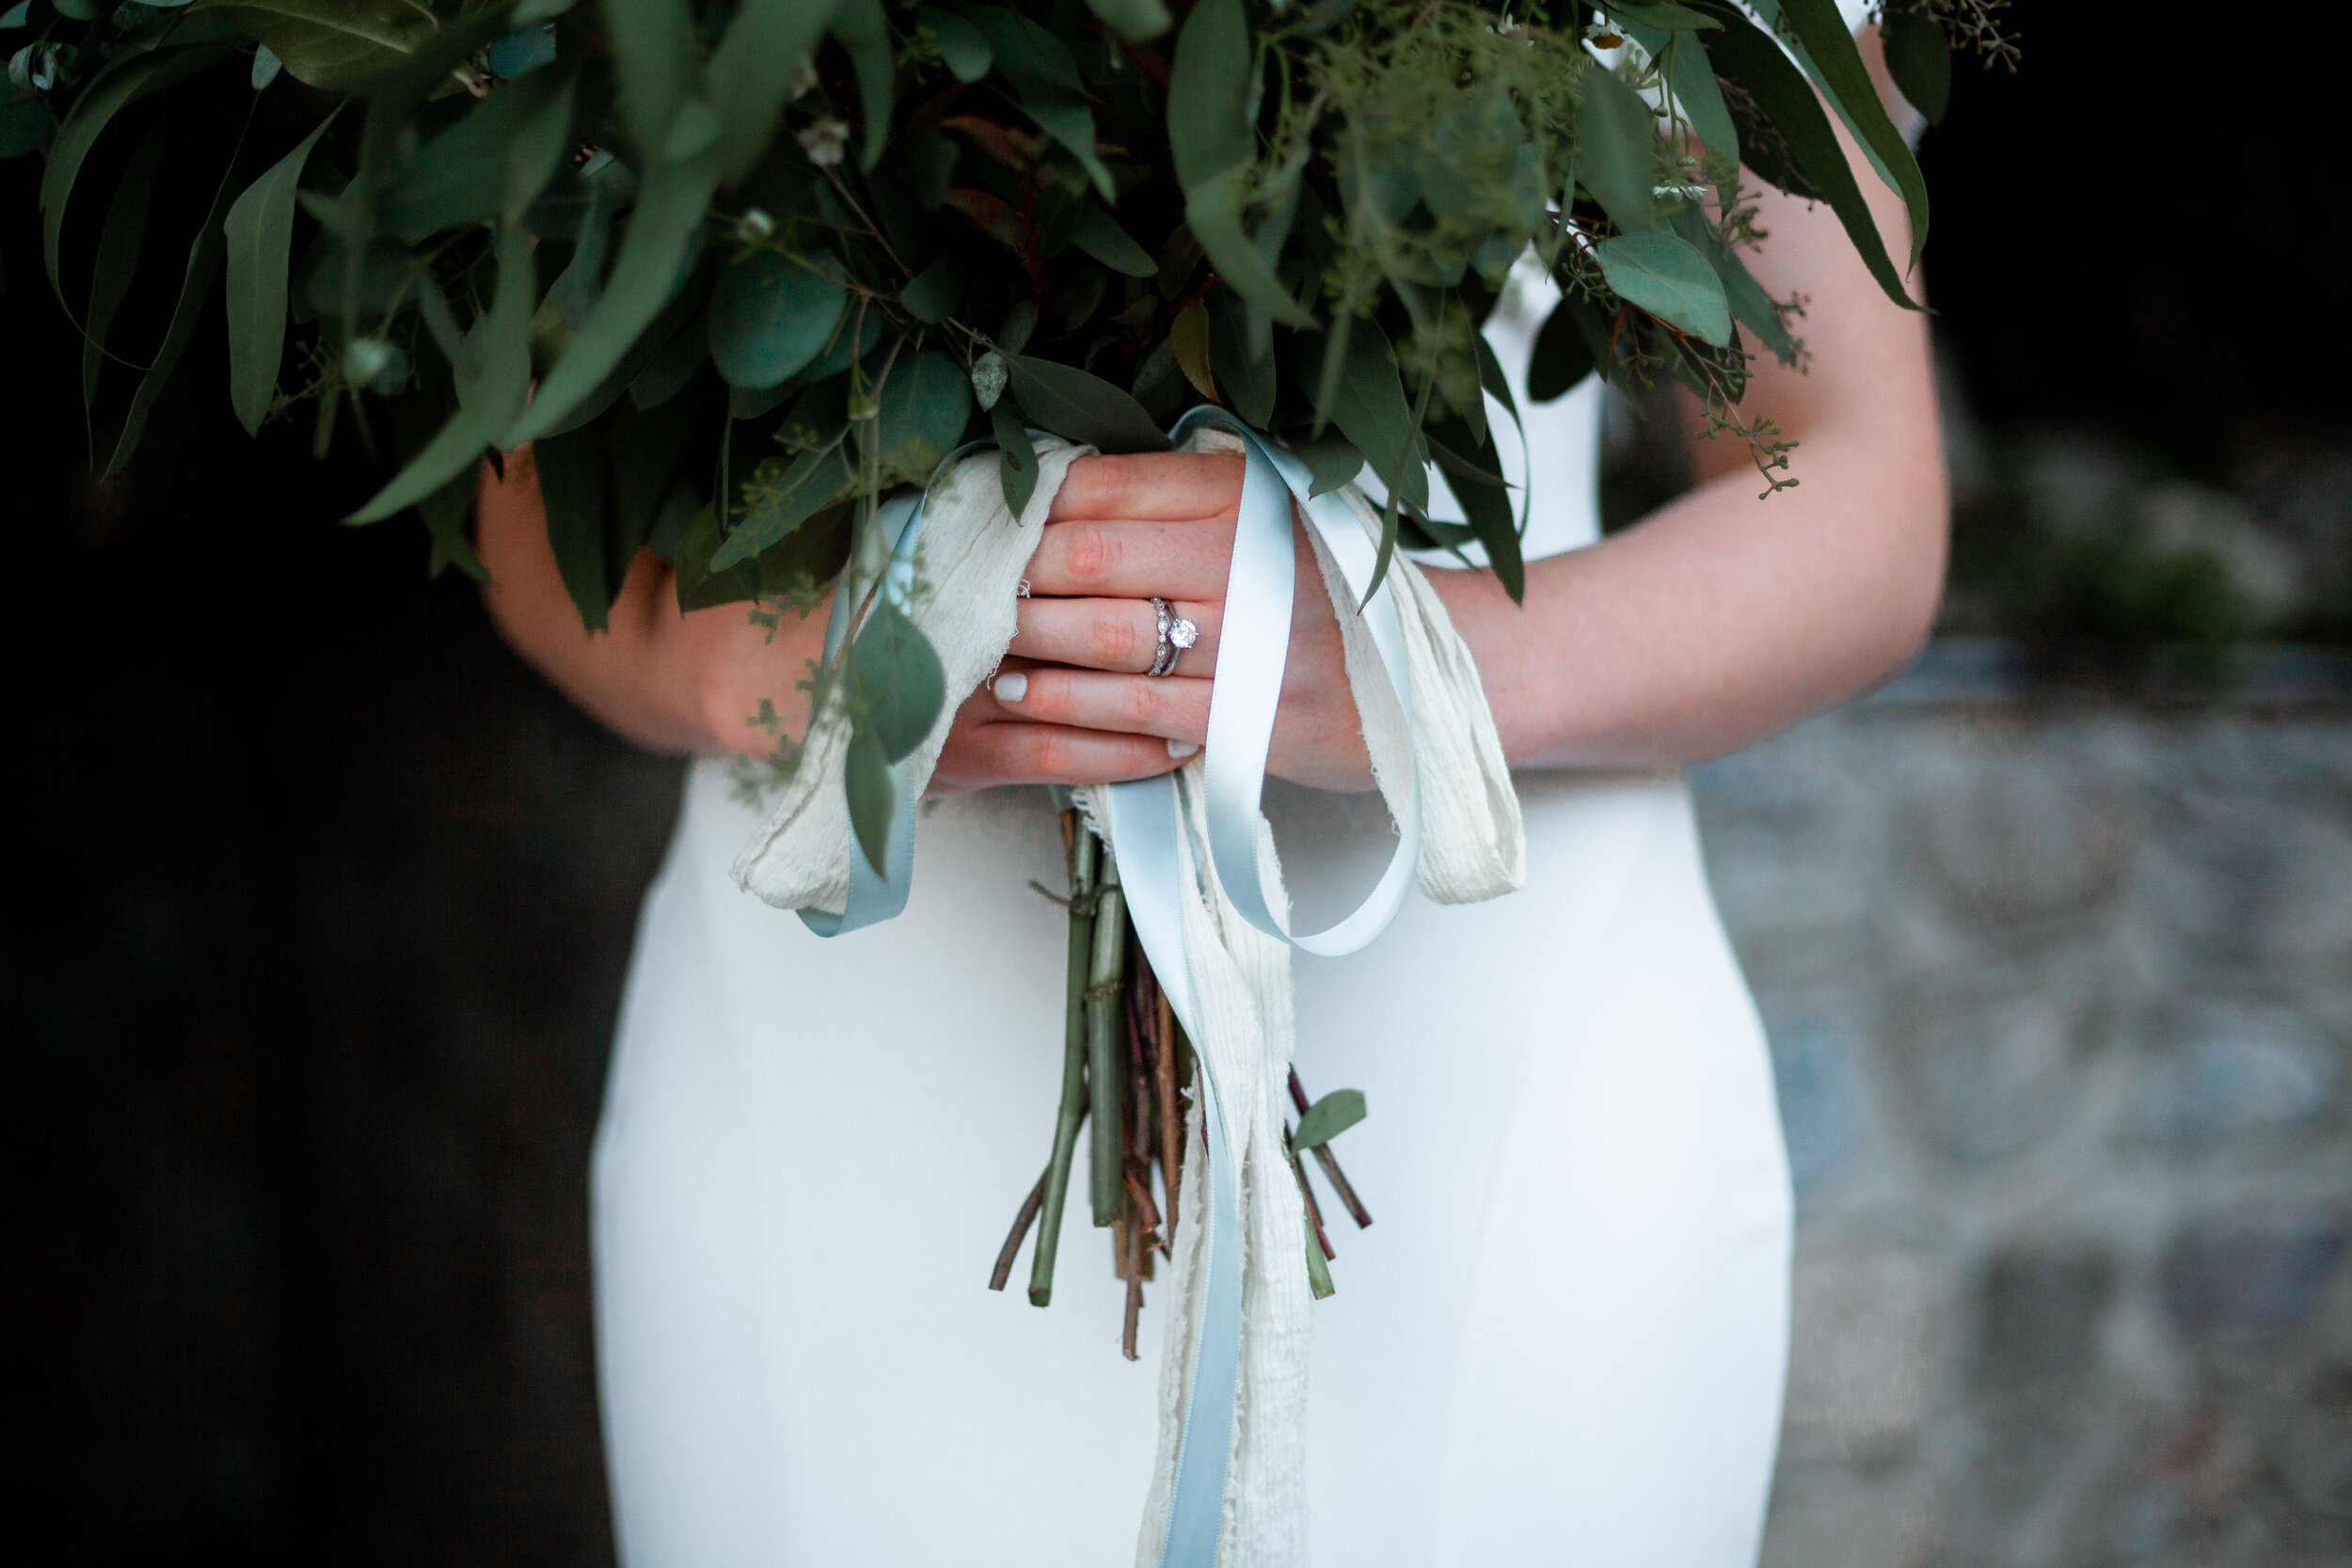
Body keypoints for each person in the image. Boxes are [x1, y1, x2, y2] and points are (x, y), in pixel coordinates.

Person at [479, 24, 1944, 1567]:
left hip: (1487, 1053)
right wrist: (792, 667)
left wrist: (1392, 659)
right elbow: (532, 503)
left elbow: (1855, 491)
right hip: (836, 1082)